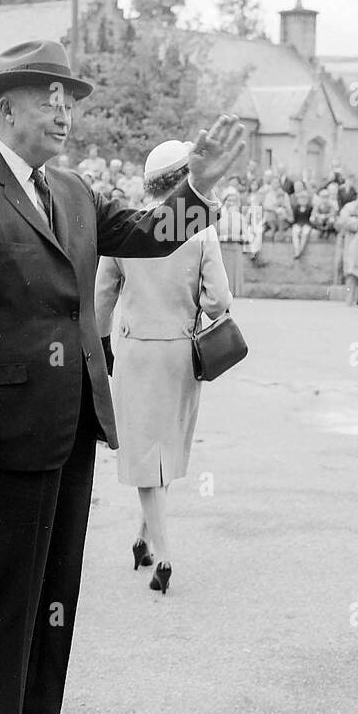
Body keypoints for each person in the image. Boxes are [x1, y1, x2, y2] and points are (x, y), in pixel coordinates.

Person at [0, 38, 244, 714]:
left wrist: (200, 188)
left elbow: (153, 235)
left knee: (54, 592)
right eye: (48, 97)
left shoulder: (73, 192)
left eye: (69, 99)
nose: (64, 112)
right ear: (6, 108)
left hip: (71, 428)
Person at [94, 139, 233, 596]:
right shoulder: (200, 230)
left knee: (143, 454)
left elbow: (102, 296)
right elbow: (218, 302)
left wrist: (100, 342)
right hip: (181, 353)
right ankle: (142, 538)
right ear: (184, 178)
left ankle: (164, 553)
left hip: (135, 351)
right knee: (162, 450)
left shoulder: (127, 228)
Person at [290, 179, 314, 259]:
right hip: (298, 223)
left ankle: (300, 249)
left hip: (306, 224)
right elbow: (294, 219)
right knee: (295, 232)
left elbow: (311, 218)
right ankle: (297, 250)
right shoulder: (296, 208)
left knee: (305, 233)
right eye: (301, 198)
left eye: (304, 198)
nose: (303, 200)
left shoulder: (309, 208)